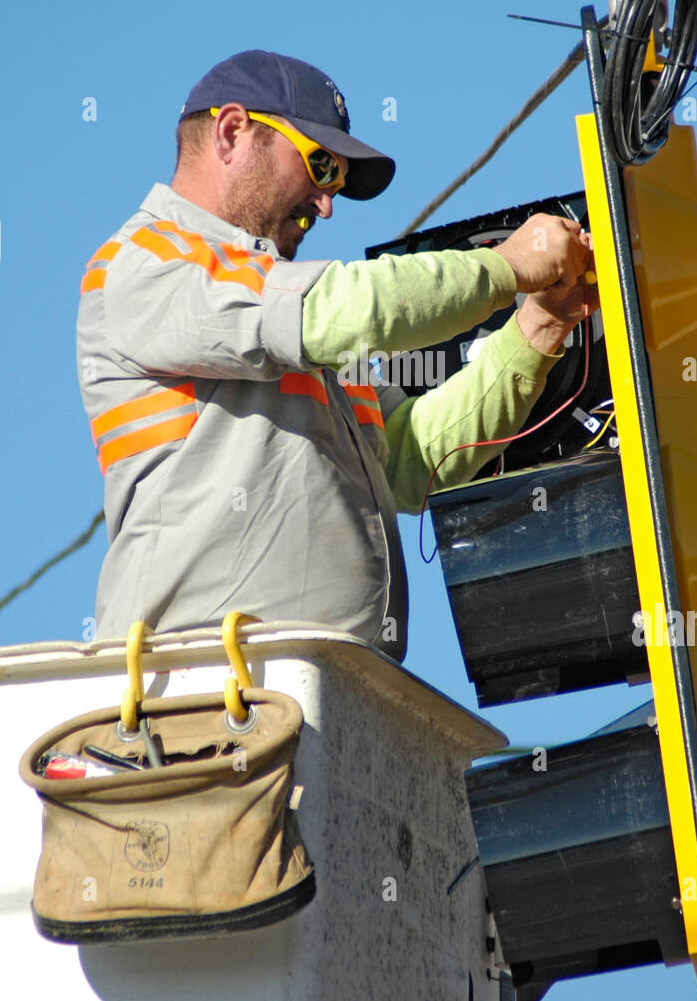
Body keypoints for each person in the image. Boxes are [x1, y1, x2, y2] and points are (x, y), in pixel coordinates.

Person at [77, 50, 595, 660]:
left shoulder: (283, 308)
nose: (326, 205)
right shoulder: (145, 262)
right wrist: (506, 266)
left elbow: (411, 462)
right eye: (320, 166)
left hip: (324, 690)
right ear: (232, 131)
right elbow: (339, 309)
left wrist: (537, 329)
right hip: (198, 694)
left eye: (338, 186)